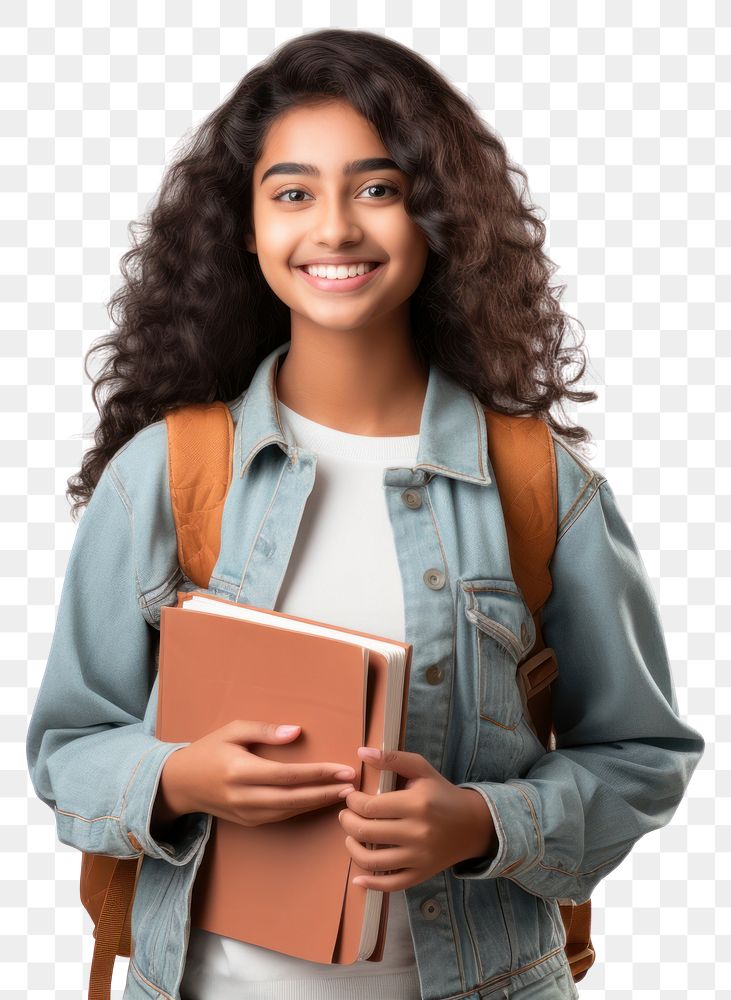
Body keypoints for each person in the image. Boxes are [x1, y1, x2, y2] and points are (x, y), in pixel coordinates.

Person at [25, 27, 705, 1000]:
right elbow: (68, 744)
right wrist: (180, 779)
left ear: (433, 214)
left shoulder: (534, 484)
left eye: (376, 188)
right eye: (293, 191)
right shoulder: (166, 475)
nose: (335, 227)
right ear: (245, 227)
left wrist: (480, 820)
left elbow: (643, 753)